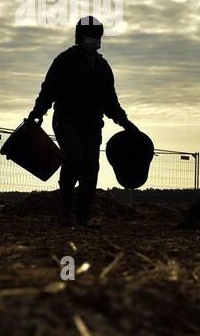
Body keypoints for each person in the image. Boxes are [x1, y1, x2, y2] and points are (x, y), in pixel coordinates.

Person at [29, 15, 136, 227]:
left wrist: (126, 123)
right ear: (80, 37)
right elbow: (48, 90)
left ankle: (83, 218)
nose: (94, 41)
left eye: (97, 37)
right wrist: (38, 112)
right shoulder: (64, 61)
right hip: (66, 122)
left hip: (92, 125)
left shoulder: (103, 68)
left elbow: (110, 102)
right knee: (74, 159)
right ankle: (66, 213)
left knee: (91, 168)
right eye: (90, 37)